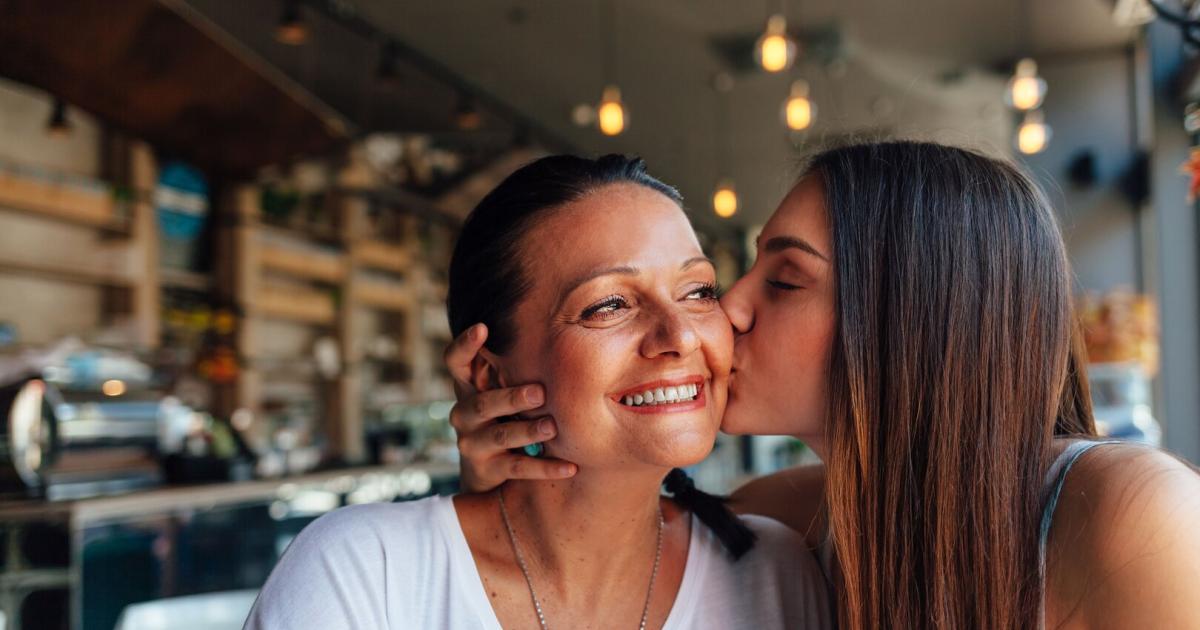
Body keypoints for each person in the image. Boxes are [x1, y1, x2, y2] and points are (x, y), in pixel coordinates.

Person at [446, 141, 1200, 629]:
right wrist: (513, 475)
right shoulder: (786, 524)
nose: (726, 310)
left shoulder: (1128, 517)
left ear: (913, 314)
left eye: (784, 279)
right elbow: (586, 548)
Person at [244, 155, 832, 630]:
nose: (679, 334)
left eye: (698, 291)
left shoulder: (774, 573)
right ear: (490, 374)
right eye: (609, 305)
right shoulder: (368, 571)